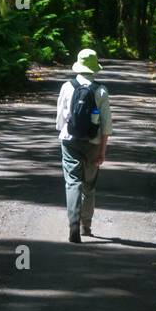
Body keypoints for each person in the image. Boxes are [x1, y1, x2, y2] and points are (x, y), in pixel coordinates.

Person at [56, 48, 112, 244]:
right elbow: (106, 126)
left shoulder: (66, 87)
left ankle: (73, 226)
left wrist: (68, 133)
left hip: (70, 142)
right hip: (93, 143)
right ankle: (86, 225)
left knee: (72, 182)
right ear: (95, 67)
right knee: (89, 185)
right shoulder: (101, 90)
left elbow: (59, 122)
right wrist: (102, 152)